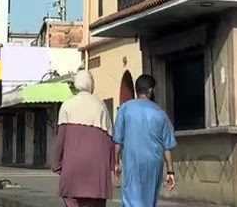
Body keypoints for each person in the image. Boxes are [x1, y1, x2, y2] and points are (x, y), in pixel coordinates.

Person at [112, 74, 176, 207]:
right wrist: (170, 172)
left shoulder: (125, 108)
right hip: (153, 162)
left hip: (132, 161)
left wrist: (116, 163)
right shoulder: (160, 112)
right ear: (151, 91)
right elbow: (167, 146)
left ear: (137, 90)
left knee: (131, 199)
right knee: (149, 199)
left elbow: (118, 140)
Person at [51, 70, 114, 207]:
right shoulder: (101, 106)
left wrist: (56, 164)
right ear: (92, 85)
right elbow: (109, 140)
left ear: (75, 85)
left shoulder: (67, 106)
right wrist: (112, 165)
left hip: (73, 170)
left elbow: (60, 140)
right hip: (97, 172)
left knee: (71, 200)